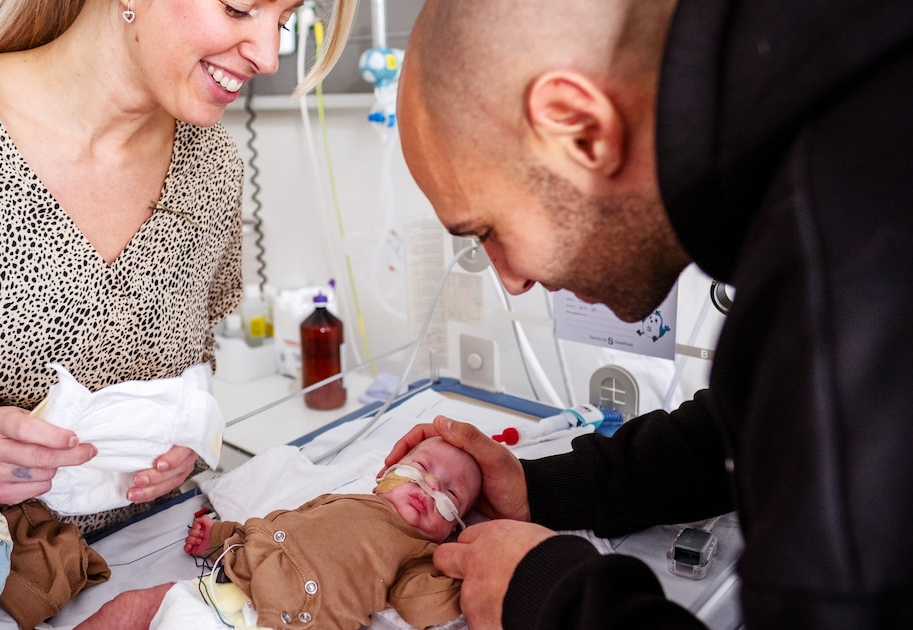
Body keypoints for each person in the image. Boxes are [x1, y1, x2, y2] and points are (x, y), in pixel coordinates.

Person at [0, 0, 357, 625]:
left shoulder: (210, 166)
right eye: (240, 6)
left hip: (152, 549)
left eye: (284, 21)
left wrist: (188, 436)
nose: (268, 55)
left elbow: (195, 358)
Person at [391, 0, 913, 628]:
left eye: (487, 230)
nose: (513, 280)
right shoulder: (830, 107)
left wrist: (555, 599)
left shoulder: (847, 246)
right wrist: (546, 488)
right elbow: (744, 429)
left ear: (580, 131)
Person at [80, 435, 483, 629]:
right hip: (223, 589)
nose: (431, 486)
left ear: (450, 528)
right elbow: (277, 528)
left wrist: (468, 570)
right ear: (387, 474)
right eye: (421, 469)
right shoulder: (342, 501)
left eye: (451, 494)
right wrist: (218, 537)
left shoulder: (417, 551)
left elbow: (418, 602)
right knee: (134, 605)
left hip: (286, 621)